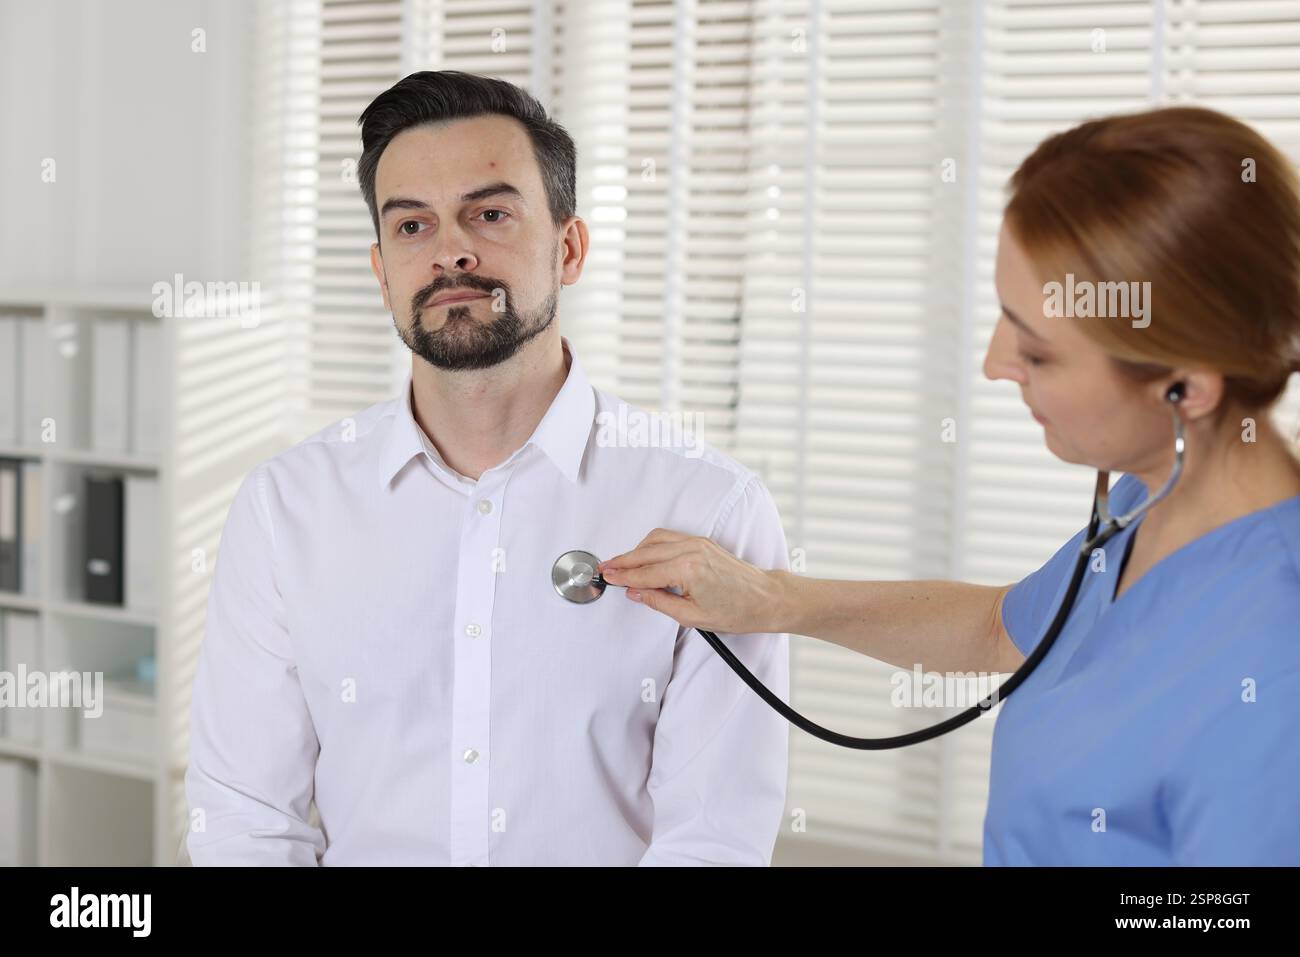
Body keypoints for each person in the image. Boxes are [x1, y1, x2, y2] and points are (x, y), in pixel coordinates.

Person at [600, 106, 1300, 865]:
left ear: (1185, 389)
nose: (997, 364)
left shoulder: (1273, 657)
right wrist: (770, 599)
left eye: (1038, 353)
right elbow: (1003, 629)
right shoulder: (1151, 499)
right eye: (1006, 320)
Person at [185, 71, 790, 866]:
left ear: (567, 248)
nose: (450, 251)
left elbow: (713, 838)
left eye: (491, 213)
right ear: (381, 269)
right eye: (412, 227)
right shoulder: (285, 507)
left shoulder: (711, 508)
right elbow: (246, 819)